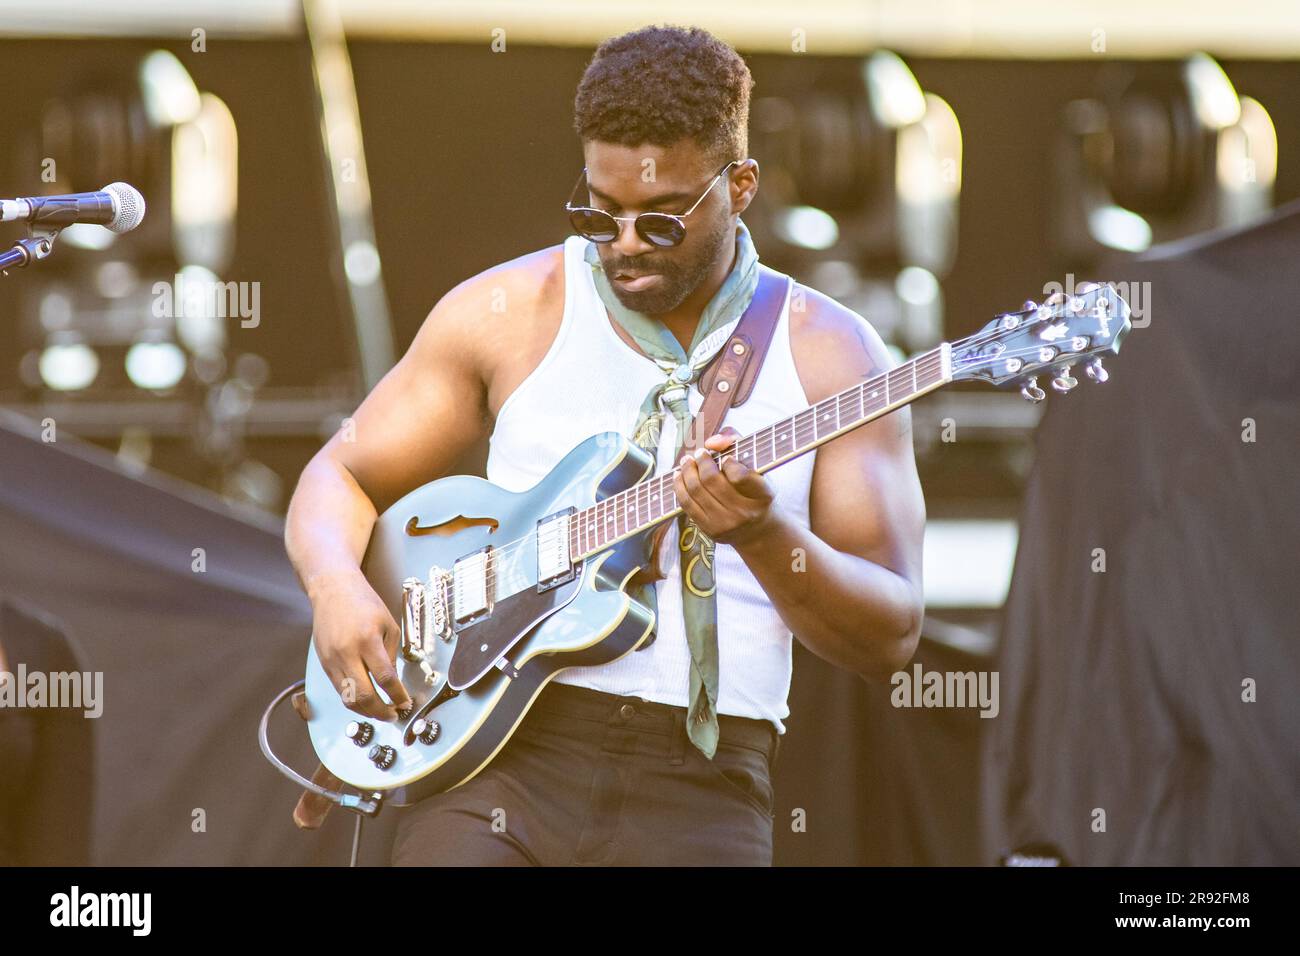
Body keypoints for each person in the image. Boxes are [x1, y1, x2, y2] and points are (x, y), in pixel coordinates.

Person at [284, 24, 926, 866]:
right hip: (500, 762)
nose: (622, 245)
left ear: (740, 184)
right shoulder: (511, 311)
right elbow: (342, 472)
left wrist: (765, 537)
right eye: (598, 212)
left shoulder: (832, 352)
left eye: (660, 224)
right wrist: (335, 589)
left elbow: (892, 631)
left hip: (705, 779)